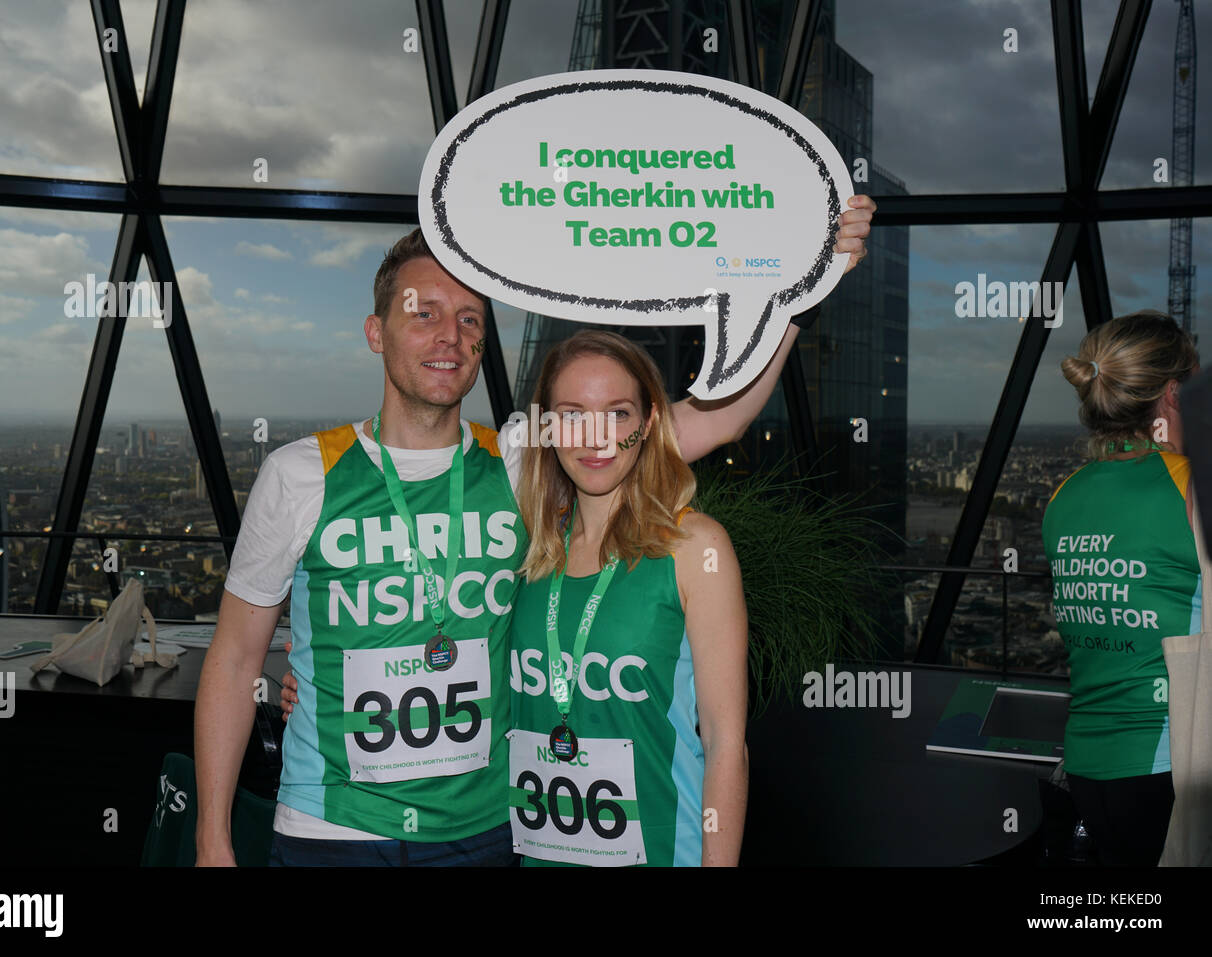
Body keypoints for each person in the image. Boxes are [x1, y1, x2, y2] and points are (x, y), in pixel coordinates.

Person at [198, 196, 874, 867]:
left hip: (484, 830)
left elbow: (709, 421)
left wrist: (809, 285)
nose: (450, 337)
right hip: (330, 827)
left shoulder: (522, 456)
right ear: (376, 331)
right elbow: (232, 661)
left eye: (469, 319)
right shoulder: (299, 476)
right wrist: (213, 840)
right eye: (423, 314)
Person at [506, 330, 748, 866]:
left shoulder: (695, 548)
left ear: (650, 424)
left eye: (616, 413)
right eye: (571, 414)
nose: (595, 438)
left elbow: (727, 744)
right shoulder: (531, 551)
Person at [1042, 310, 1203, 866]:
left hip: (1089, 768)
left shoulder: (1065, 495)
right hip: (1175, 765)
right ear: (1174, 393)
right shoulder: (1188, 486)